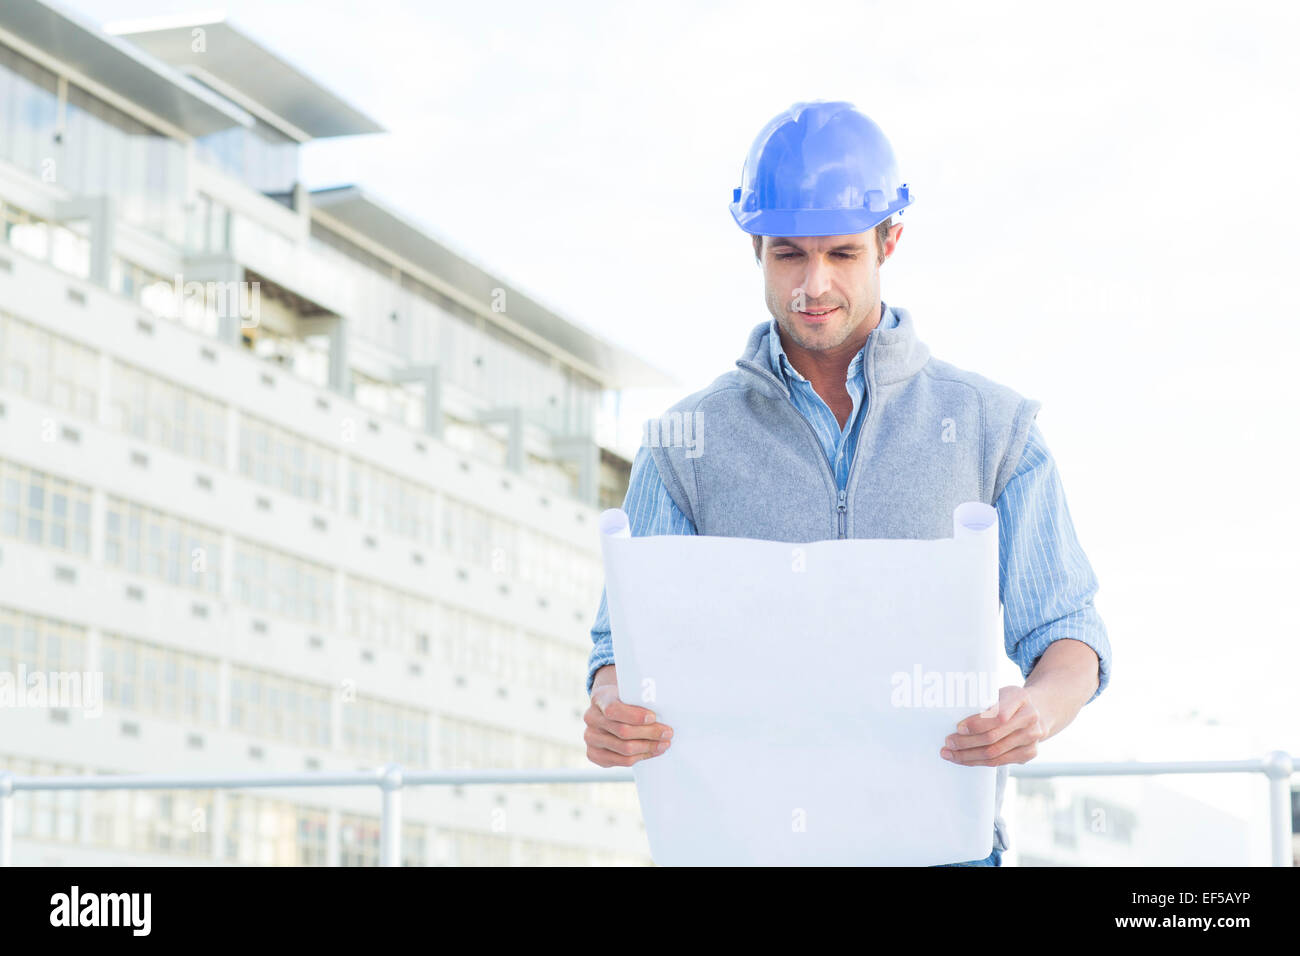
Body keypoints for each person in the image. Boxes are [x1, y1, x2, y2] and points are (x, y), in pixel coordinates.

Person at [582, 100, 1112, 866]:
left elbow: (1068, 633)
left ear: (889, 241)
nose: (813, 284)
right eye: (789, 255)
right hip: (743, 848)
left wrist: (1036, 709)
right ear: (756, 249)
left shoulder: (997, 430)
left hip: (945, 850)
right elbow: (620, 650)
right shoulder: (681, 445)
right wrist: (608, 705)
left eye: (842, 254)